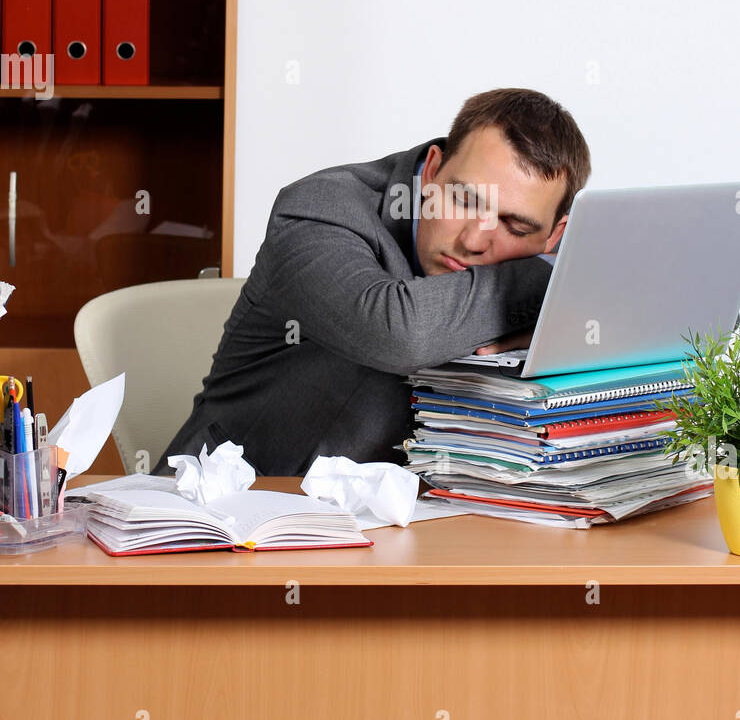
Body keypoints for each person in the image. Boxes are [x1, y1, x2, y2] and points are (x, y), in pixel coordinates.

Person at [158, 88, 591, 476]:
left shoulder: (559, 255)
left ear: (555, 234)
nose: (474, 240)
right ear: (433, 172)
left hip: (420, 527)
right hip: (226, 521)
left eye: (515, 226)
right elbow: (398, 333)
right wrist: (553, 278)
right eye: (462, 198)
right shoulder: (317, 208)